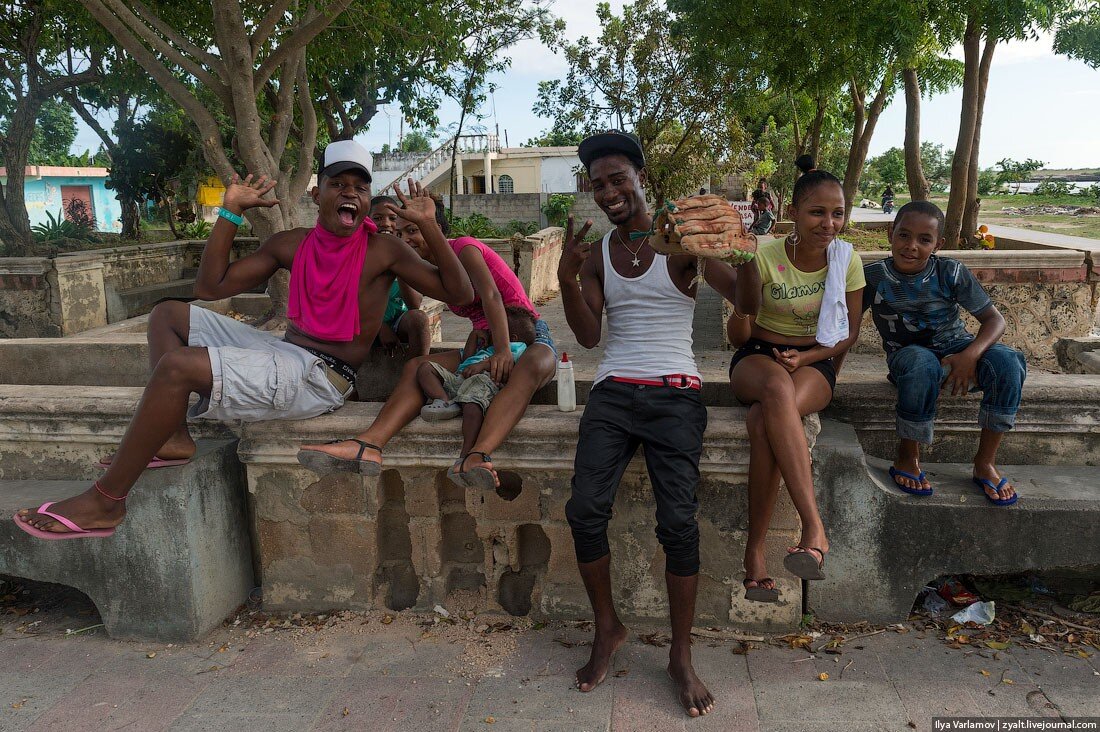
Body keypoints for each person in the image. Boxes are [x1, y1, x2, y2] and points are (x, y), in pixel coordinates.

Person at [15, 140, 473, 539]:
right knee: (168, 316)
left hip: (323, 376)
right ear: (318, 195)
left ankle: (106, 502)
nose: (350, 191)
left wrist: (430, 227)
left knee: (178, 368)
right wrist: (230, 211)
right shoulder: (290, 244)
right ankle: (174, 437)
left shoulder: (383, 249)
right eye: (339, 183)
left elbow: (459, 295)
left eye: (361, 185)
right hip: (285, 350)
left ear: (368, 198)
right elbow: (209, 288)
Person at [559, 130, 761, 717]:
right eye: (598, 184)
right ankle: (608, 628)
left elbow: (744, 300)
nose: (608, 192)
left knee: (678, 522)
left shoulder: (682, 243)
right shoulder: (598, 254)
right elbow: (591, 336)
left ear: (641, 178)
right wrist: (570, 278)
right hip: (614, 392)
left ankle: (680, 655)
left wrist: (744, 253)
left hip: (675, 394)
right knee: (584, 509)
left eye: (618, 178)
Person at [297, 196, 557, 488]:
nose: (405, 239)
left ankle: (476, 456)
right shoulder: (430, 269)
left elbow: (492, 296)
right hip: (485, 345)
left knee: (532, 365)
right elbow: (414, 306)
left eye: (412, 231)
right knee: (418, 366)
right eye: (399, 234)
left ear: (436, 229)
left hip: (527, 335)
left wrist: (502, 351)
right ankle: (369, 444)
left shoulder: (464, 248)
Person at [729, 154, 865, 603]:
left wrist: (808, 356)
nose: (829, 223)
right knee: (773, 389)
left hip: (816, 358)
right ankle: (814, 527)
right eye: (817, 212)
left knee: (761, 423)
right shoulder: (764, 255)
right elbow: (739, 333)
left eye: (837, 213)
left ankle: (755, 557)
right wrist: (743, 310)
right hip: (759, 356)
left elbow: (848, 333)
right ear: (792, 212)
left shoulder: (846, 260)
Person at [863, 201, 1025, 505]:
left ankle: (984, 463)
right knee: (923, 364)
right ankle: (907, 457)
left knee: (1009, 362)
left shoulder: (950, 271)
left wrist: (970, 356)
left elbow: (995, 320)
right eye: (904, 235)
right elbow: (844, 328)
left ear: (939, 244)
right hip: (908, 356)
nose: (911, 246)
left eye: (925, 240)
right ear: (890, 233)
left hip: (957, 349)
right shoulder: (873, 277)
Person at [417, 306, 536, 484]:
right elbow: (466, 360)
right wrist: (473, 336)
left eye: (495, 329)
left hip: (483, 381)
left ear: (511, 337)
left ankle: (465, 455)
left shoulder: (517, 347)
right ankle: (444, 401)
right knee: (425, 368)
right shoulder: (486, 348)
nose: (490, 331)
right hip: (460, 379)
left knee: (473, 406)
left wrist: (483, 365)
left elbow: (509, 362)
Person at [369, 195, 431, 358]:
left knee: (419, 319)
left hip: (397, 322)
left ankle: (416, 371)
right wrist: (379, 326)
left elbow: (414, 304)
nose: (386, 223)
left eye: (393, 218)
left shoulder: (407, 254)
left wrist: (398, 263)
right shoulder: (358, 253)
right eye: (377, 218)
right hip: (362, 323)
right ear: (365, 221)